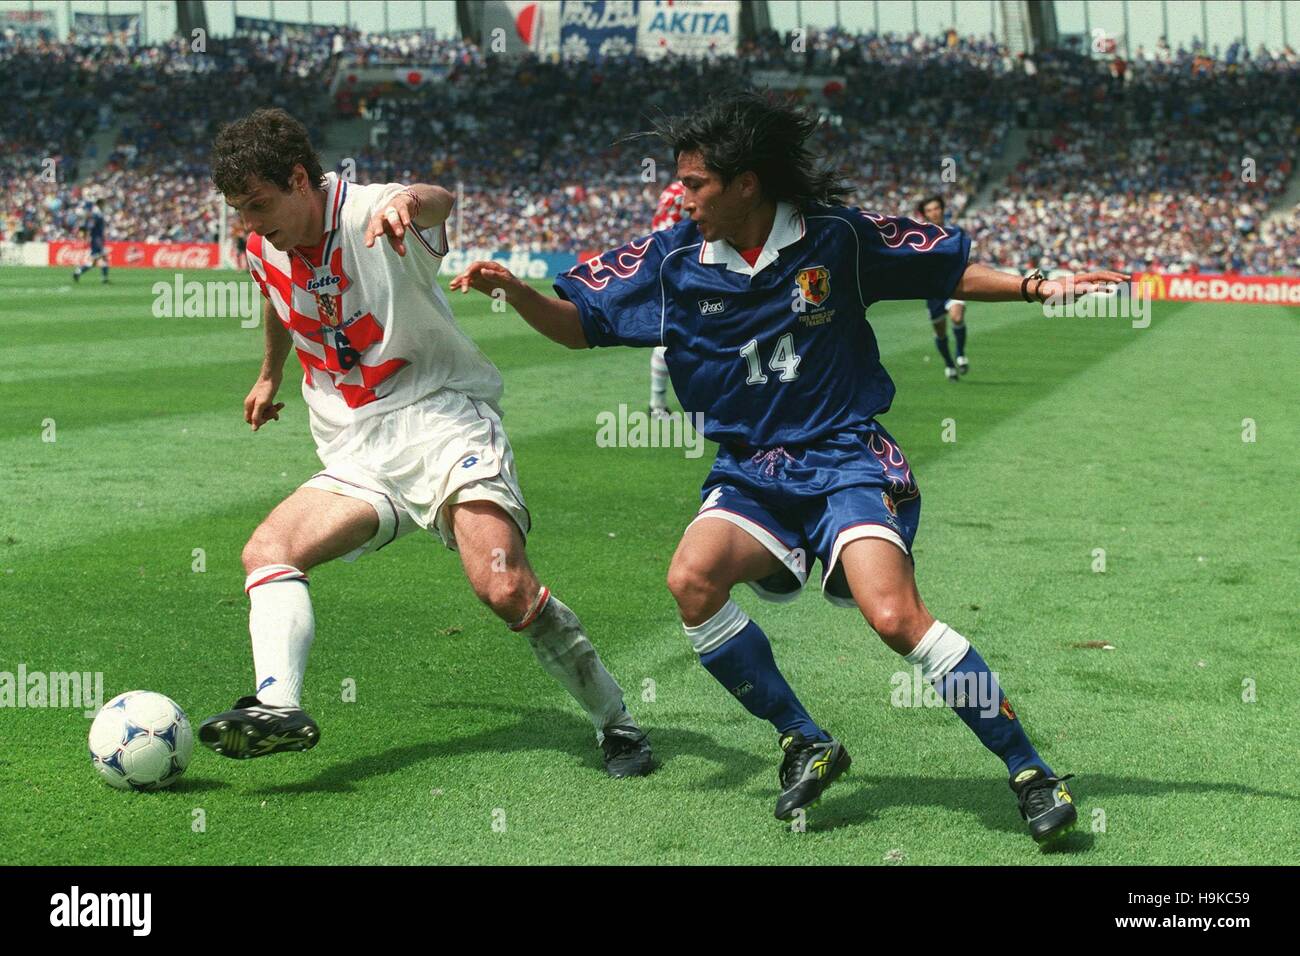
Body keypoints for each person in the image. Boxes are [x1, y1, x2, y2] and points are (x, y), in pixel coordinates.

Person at [451, 92, 1127, 841]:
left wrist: (1041, 285)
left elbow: (946, 272)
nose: (682, 197)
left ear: (748, 184)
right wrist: (517, 295)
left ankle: (1028, 770)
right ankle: (805, 737)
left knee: (894, 615)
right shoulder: (673, 258)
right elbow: (581, 327)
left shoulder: (836, 238)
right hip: (750, 473)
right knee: (691, 580)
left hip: (845, 458)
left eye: (697, 183)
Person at [199, 107, 654, 778]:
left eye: (258, 204)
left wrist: (411, 202)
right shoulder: (263, 243)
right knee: (268, 551)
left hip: (443, 420)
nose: (248, 222)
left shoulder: (371, 212)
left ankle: (617, 723)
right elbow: (274, 295)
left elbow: (439, 202)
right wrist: (270, 374)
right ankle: (277, 706)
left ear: (300, 178)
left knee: (503, 588)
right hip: (357, 448)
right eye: (238, 209)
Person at [917, 195, 969, 380]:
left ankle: (960, 354)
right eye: (929, 210)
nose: (934, 212)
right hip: (933, 290)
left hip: (954, 285)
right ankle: (949, 364)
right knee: (940, 332)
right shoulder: (920, 236)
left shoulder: (955, 232)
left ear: (943, 209)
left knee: (957, 316)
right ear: (925, 214)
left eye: (937, 208)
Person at [648, 179, 685, 418]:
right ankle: (657, 405)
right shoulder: (690, 189)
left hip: (661, 259)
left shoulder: (672, 189)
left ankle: (657, 403)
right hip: (676, 262)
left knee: (669, 333)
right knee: (670, 336)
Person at [71, 200, 109, 284]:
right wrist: (87, 235)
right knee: (100, 259)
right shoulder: (97, 215)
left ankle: (78, 272)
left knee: (96, 261)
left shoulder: (96, 215)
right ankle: (104, 278)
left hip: (97, 239)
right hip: (96, 240)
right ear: (100, 204)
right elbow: (90, 226)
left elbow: (88, 226)